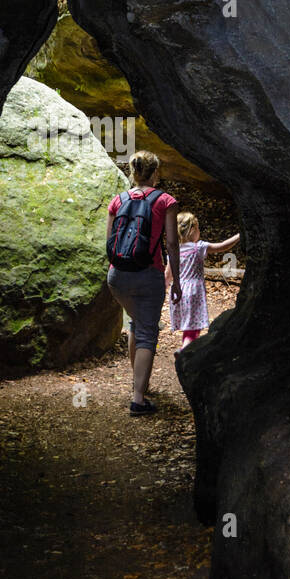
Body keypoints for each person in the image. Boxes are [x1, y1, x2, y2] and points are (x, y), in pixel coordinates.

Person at [105, 151, 180, 415]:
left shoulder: (118, 200)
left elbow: (110, 242)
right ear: (155, 172)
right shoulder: (166, 201)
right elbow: (171, 243)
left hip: (117, 277)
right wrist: (177, 281)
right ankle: (138, 399)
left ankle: (138, 382)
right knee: (148, 331)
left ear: (134, 172)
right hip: (148, 275)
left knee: (135, 323)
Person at [165, 212, 240, 347]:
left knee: (189, 326)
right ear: (192, 229)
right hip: (194, 292)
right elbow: (223, 246)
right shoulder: (199, 247)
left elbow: (167, 276)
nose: (199, 231)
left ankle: (184, 349)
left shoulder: (174, 251)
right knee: (194, 328)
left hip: (178, 292)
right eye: (198, 228)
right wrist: (239, 236)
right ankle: (184, 351)